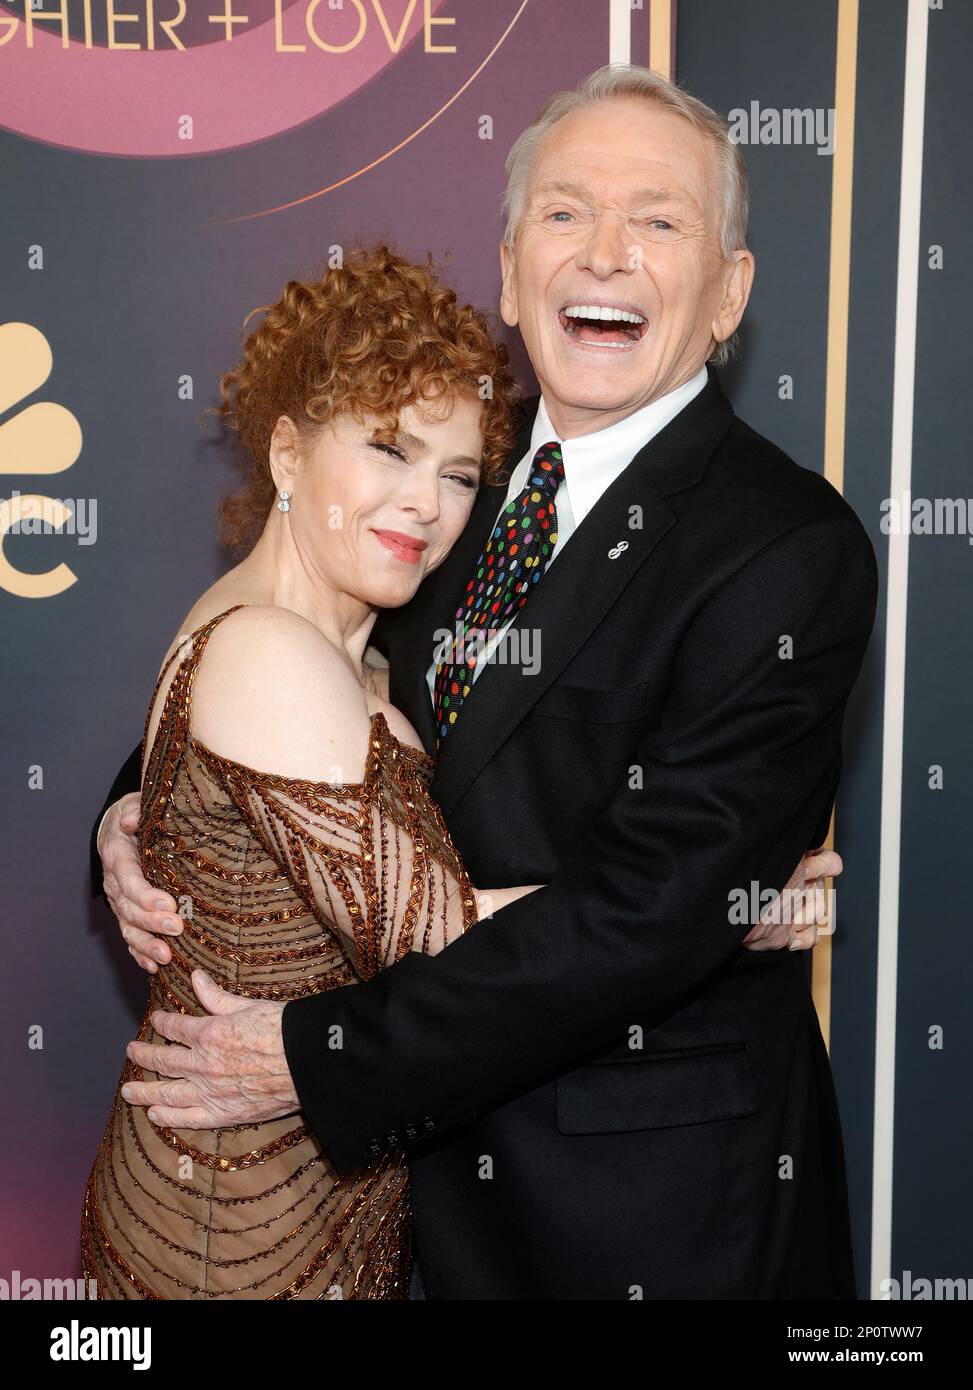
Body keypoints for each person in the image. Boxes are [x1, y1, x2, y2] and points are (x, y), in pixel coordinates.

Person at [91, 65, 874, 1300]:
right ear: (510, 270)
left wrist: (318, 1056)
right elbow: (284, 662)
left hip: (643, 1220)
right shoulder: (445, 469)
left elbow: (643, 915)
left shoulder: (786, 547)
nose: (605, 252)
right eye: (566, 212)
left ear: (729, 296)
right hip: (394, 1211)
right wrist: (139, 811)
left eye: (659, 220)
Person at [81, 242, 547, 1298]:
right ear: (288, 455)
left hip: (327, 1199)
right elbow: (440, 936)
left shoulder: (364, 650)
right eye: (388, 448)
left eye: (458, 472)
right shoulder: (268, 648)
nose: (424, 503)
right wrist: (713, 900)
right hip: (223, 1235)